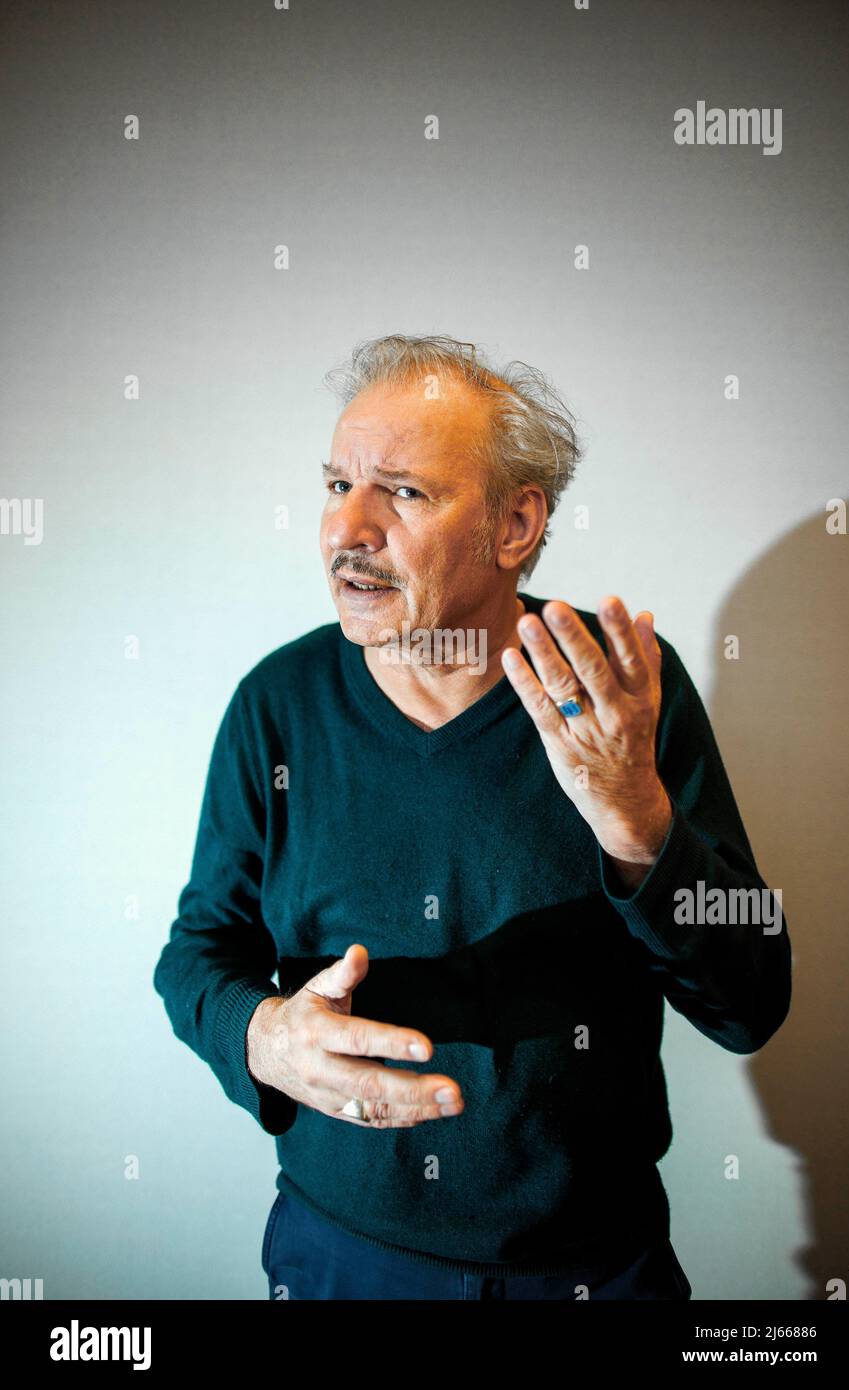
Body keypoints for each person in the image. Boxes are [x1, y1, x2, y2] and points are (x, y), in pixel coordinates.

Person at [153, 333, 791, 1300]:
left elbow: (750, 1004)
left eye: (402, 492)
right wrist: (262, 1037)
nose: (345, 531)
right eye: (335, 487)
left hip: (587, 1271)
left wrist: (637, 826)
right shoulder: (276, 704)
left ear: (515, 522)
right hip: (340, 1258)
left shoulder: (621, 697)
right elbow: (197, 953)